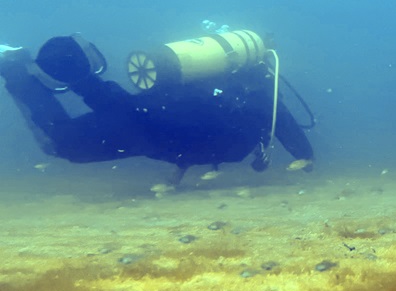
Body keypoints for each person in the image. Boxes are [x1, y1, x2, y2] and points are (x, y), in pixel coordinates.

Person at [0, 27, 314, 180]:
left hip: (167, 122)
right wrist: (306, 157)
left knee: (126, 110)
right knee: (63, 144)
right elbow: (282, 122)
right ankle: (14, 66)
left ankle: (66, 73)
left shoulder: (237, 83)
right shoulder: (260, 87)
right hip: (174, 131)